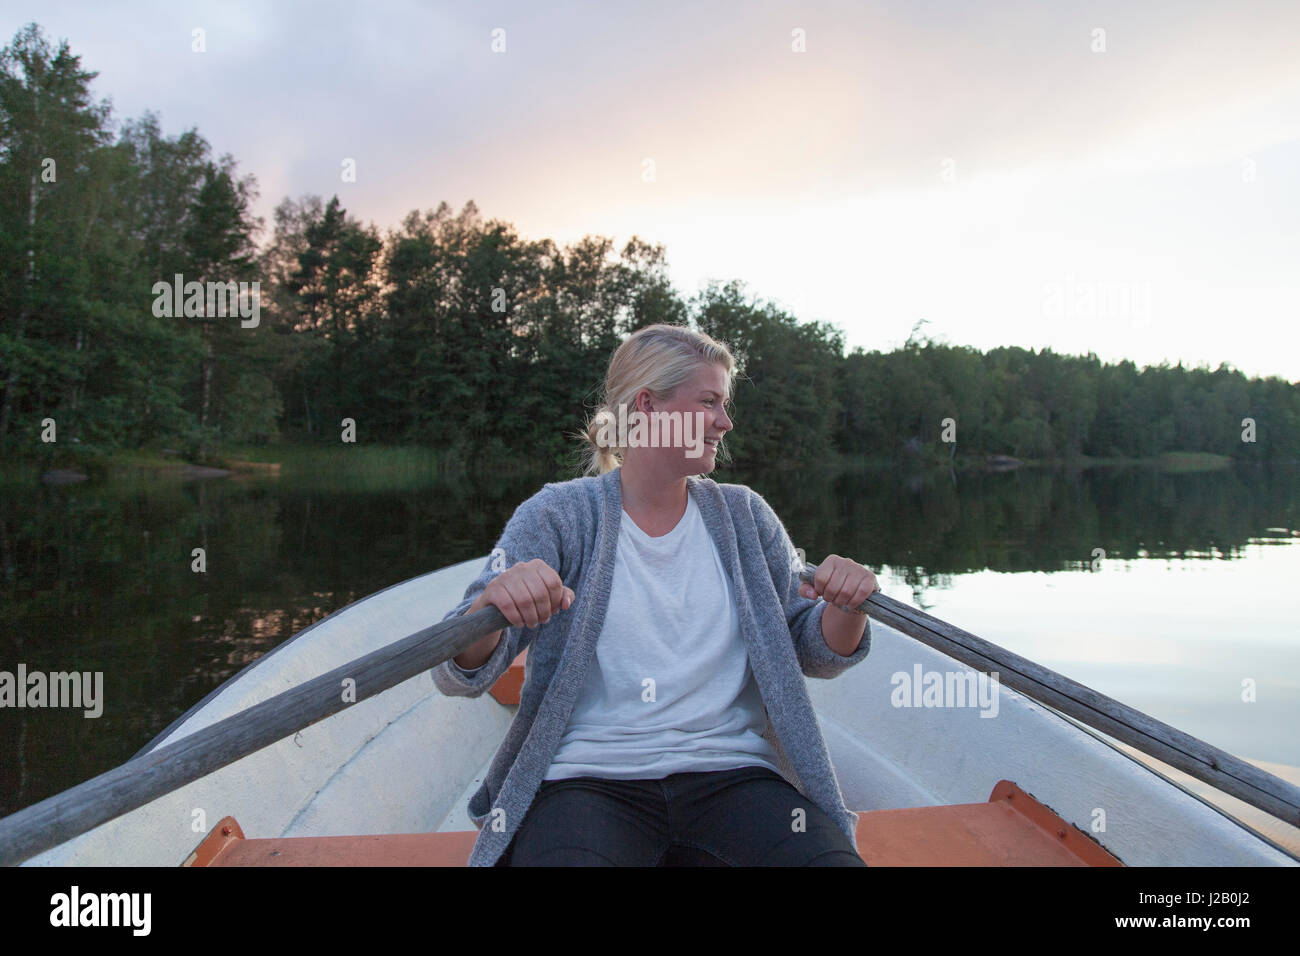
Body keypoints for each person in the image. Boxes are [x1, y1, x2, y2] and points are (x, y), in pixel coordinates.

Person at [431, 323, 879, 866]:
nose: (726, 422)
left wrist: (845, 608)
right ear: (648, 405)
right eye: (710, 401)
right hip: (587, 781)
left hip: (734, 776)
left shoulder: (744, 516)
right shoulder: (559, 515)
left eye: (724, 403)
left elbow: (811, 648)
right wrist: (494, 606)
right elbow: (461, 670)